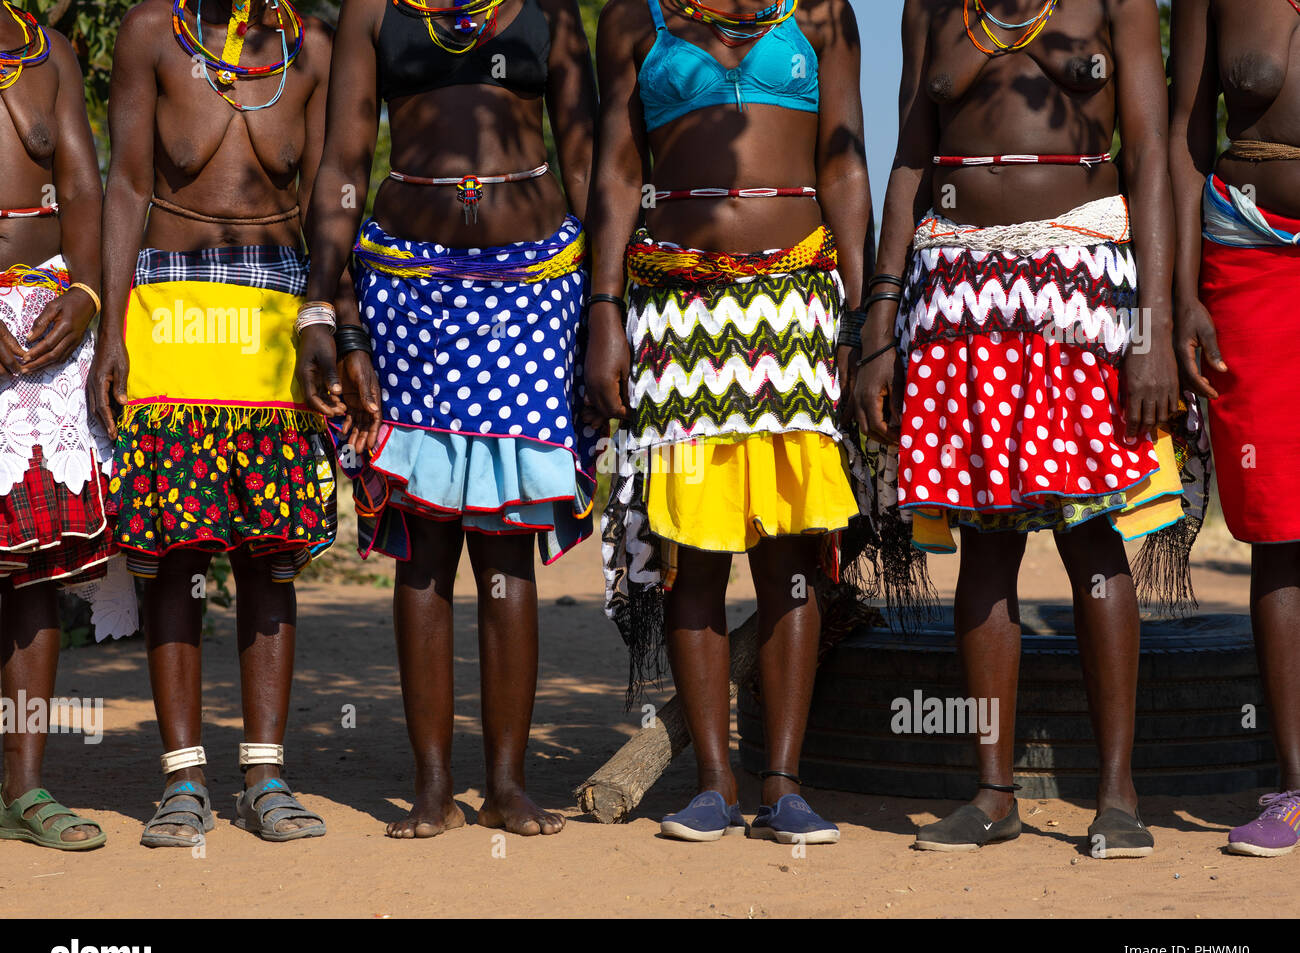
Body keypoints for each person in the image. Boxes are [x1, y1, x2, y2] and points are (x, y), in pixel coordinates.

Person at [855, 0, 1204, 857]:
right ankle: (992, 792)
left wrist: (1151, 333)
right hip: (955, 287)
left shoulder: (1113, 2)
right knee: (985, 541)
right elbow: (908, 160)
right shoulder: (930, 7)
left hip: (1080, 279)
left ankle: (1118, 796)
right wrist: (878, 319)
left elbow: (1152, 155)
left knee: (1092, 536)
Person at [298, 0, 598, 838]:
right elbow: (344, 164)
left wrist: (608, 306)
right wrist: (327, 313)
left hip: (536, 292)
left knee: (506, 540)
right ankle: (432, 787)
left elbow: (586, 157)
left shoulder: (547, 10)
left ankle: (506, 783)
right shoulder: (374, 11)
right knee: (422, 537)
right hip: (405, 290)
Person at [585, 0, 870, 844]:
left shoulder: (819, 15)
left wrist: (863, 313)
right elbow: (614, 171)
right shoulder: (635, 20)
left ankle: (782, 782)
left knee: (792, 549)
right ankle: (713, 782)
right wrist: (605, 312)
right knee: (694, 551)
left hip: (799, 302)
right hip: (676, 306)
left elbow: (845, 166)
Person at [92, 0, 337, 848]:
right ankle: (182, 779)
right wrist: (108, 331)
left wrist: (325, 324)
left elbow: (326, 205)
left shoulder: (313, 48)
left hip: (274, 306)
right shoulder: (152, 31)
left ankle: (266, 774)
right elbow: (124, 183)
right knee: (178, 553)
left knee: (270, 552)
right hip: (170, 304)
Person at [0, 2, 132, 852]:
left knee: (33, 569)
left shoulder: (47, 50)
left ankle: (24, 789)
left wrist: (85, 294)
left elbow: (84, 185)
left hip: (44, 330)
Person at [1170, 0, 1300, 857]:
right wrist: (1180, 295)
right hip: (1250, 256)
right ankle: (1294, 784)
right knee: (1277, 526)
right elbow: (1181, 142)